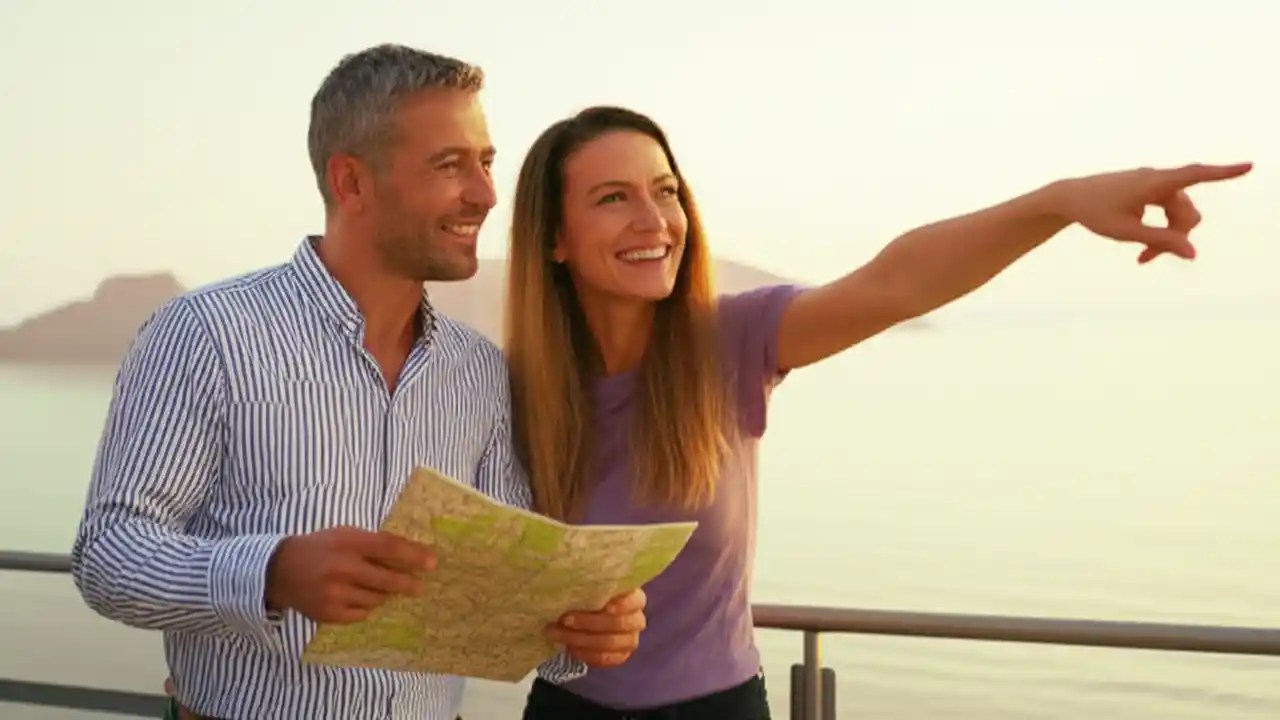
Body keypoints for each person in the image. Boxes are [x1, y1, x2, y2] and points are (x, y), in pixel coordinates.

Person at [501, 105, 1251, 719]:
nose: (653, 219)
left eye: (665, 191)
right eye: (612, 197)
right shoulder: (511, 388)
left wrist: (1056, 203)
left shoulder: (731, 341)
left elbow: (894, 285)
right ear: (556, 239)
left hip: (718, 708)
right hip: (568, 710)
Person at [69, 46, 648, 720]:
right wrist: (271, 573)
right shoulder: (205, 334)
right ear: (352, 184)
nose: (487, 195)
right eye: (449, 165)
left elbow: (502, 589)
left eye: (486, 163)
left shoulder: (479, 371)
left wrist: (578, 627)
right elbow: (108, 556)